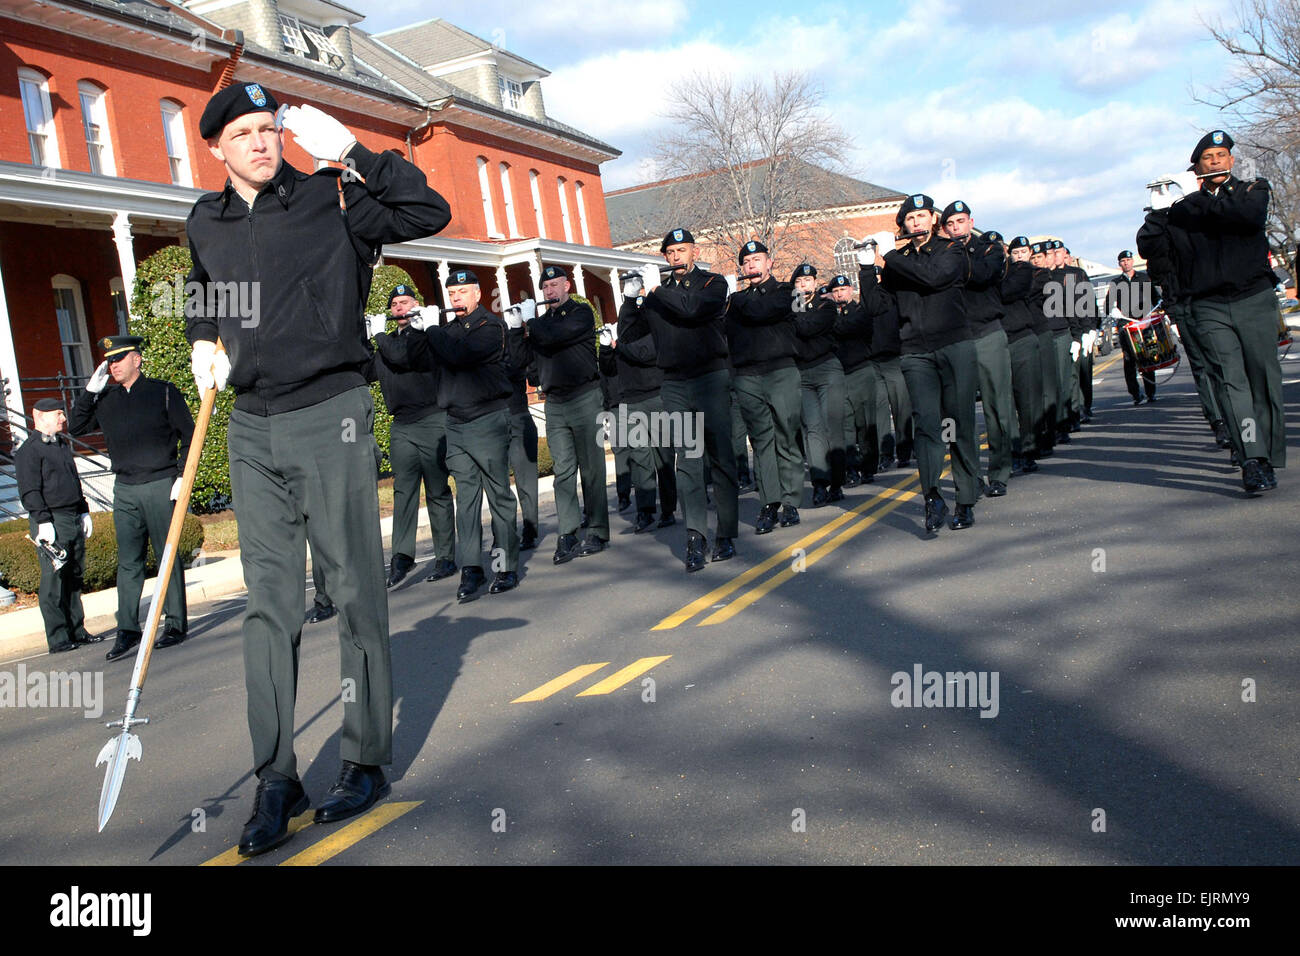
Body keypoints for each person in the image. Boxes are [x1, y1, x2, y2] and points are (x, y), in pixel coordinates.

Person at [186, 82, 451, 857]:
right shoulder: (207, 218)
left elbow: (427, 214)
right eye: (243, 134)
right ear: (217, 148)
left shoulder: (336, 198)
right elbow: (204, 286)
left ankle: (365, 758)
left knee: (351, 590)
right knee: (268, 607)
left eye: (270, 129)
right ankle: (277, 776)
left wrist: (356, 150)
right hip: (249, 427)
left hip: (328, 412)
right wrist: (203, 334)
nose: (261, 143)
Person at [1162, 130, 1286, 492]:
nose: (1215, 161)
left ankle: (1269, 453)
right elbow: (1159, 249)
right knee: (1232, 383)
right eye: (1207, 157)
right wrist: (1161, 211)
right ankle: (1252, 457)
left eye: (1221, 155)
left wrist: (1197, 201)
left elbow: (1245, 219)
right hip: (1210, 305)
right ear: (1196, 166)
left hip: (1254, 299)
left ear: (1231, 160)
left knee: (1263, 380)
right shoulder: (1183, 209)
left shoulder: (1253, 191)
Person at [69, 335, 194, 661]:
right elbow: (76, 426)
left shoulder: (162, 392)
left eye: (119, 359)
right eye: (109, 361)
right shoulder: (106, 398)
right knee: (128, 562)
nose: (113, 366)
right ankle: (127, 629)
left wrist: (182, 475)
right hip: (125, 487)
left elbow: (190, 433)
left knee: (166, 556)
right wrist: (89, 392)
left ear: (137, 359)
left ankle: (175, 624)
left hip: (159, 482)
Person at [867, 194, 978, 532]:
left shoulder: (952, 250)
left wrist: (888, 256)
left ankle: (965, 498)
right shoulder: (897, 260)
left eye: (921, 216)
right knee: (927, 426)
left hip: (953, 345)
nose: (915, 222)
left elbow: (932, 278)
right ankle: (932, 496)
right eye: (909, 218)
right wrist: (864, 270)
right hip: (915, 351)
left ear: (933, 219)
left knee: (958, 424)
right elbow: (878, 306)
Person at [413, 270, 521, 595]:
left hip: (487, 419)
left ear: (477, 294)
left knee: (499, 495)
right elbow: (416, 361)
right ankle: (471, 568)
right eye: (452, 293)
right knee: (467, 499)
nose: (456, 298)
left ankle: (504, 566)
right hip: (456, 423)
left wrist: (432, 329)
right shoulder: (445, 331)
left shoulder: (491, 328)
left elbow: (460, 355)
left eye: (462, 291)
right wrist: (418, 330)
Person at [641, 228, 738, 571]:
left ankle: (725, 532)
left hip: (709, 377)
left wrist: (655, 292)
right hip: (675, 383)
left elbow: (691, 308)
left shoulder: (713, 284)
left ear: (695, 252)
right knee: (688, 460)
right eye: (671, 251)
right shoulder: (656, 293)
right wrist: (633, 299)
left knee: (720, 454)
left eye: (683, 249)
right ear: (665, 257)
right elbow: (634, 333)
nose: (677, 255)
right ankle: (695, 535)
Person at [367, 285, 456, 587]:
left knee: (436, 489)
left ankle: (445, 555)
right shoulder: (385, 341)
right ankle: (402, 556)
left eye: (405, 303)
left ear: (416, 305)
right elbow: (367, 370)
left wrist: (378, 336)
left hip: (431, 419)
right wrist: (363, 338)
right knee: (403, 492)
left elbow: (402, 357)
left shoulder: (425, 337)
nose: (399, 308)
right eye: (395, 304)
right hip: (401, 424)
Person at [518, 265, 608, 563]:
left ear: (567, 286)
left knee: (592, 468)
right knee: (563, 471)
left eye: (555, 285)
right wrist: (518, 328)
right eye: (545, 287)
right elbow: (527, 360)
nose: (550, 291)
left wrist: (531, 322)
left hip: (584, 397)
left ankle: (596, 529)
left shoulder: (581, 313)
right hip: (555, 401)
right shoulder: (539, 323)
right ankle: (567, 532)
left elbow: (554, 337)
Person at [727, 241, 804, 533]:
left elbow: (762, 311)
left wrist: (735, 299)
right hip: (748, 375)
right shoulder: (735, 300)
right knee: (761, 441)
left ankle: (791, 500)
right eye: (746, 262)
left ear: (769, 262)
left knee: (786, 433)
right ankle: (769, 503)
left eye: (757, 260)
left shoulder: (787, 291)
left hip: (780, 370)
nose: (751, 266)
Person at [941, 205, 1016, 496]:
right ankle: (970, 476)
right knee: (959, 415)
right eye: (951, 224)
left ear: (971, 223)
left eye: (961, 221)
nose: (956, 227)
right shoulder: (943, 254)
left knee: (998, 408)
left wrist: (955, 259)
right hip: (957, 339)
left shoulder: (989, 249)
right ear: (945, 228)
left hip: (987, 334)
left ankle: (999, 471)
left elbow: (983, 275)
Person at [15, 398, 96, 654]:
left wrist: (83, 511)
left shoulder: (61, 444)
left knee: (74, 575)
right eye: (58, 414)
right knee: (54, 580)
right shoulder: (29, 450)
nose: (63, 418)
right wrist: (42, 521)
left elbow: (74, 480)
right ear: (39, 416)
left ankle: (77, 630)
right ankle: (58, 637)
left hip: (71, 515)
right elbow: (29, 491)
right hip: (52, 519)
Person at [608, 272, 678, 532]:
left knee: (663, 457)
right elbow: (627, 326)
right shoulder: (629, 326)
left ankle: (668, 508)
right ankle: (646, 510)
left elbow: (644, 353)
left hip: (656, 396)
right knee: (640, 459)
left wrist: (617, 347)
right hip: (632, 400)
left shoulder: (658, 325)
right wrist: (628, 300)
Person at [791, 264, 845, 509]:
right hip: (802, 373)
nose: (803, 285)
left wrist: (795, 309)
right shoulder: (792, 306)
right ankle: (820, 484)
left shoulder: (827, 304)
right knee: (812, 429)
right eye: (799, 282)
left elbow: (806, 328)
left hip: (827, 368)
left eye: (807, 280)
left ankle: (837, 481)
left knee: (831, 423)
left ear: (815, 282)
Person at [829, 273, 879, 488]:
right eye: (836, 291)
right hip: (840, 374)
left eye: (843, 289)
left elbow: (847, 328)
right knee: (846, 424)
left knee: (865, 422)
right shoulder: (830, 313)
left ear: (851, 290)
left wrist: (830, 324)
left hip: (861, 370)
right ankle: (851, 468)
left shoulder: (860, 311)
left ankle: (868, 466)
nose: (840, 294)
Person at [1000, 237, 1044, 474]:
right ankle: (1015, 451)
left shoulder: (1021, 271)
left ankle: (1029, 448)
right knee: (1004, 404)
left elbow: (1011, 291)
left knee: (1028, 401)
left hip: (1022, 337)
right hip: (999, 342)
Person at [504, 312, 540, 551]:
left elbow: (523, 367)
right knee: (497, 485)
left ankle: (530, 528)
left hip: (517, 416)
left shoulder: (512, 353)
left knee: (526, 481)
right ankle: (505, 532)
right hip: (492, 422)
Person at [1106, 250, 1158, 406]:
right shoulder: (1115, 283)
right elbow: (1109, 303)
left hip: (1143, 322)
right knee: (1129, 360)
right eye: (1123, 261)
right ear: (1119, 264)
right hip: (1126, 324)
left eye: (1128, 260)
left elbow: (1156, 298)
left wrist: (1156, 312)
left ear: (1133, 261)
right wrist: (1113, 311)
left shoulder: (1143, 278)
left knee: (1148, 356)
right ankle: (1135, 394)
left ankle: (1151, 392)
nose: (1126, 263)